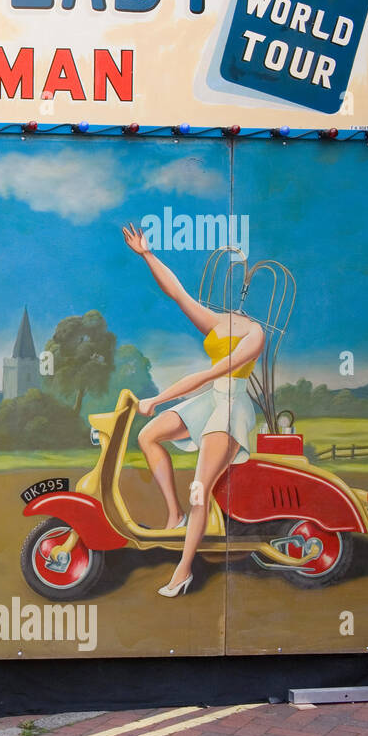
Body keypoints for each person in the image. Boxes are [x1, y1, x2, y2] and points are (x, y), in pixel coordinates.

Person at [124, 224, 265, 597]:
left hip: (230, 407)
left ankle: (183, 570)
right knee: (147, 435)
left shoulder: (256, 335)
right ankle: (175, 515)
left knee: (200, 487)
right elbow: (177, 293)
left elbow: (210, 373)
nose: (238, 291)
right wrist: (147, 255)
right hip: (209, 400)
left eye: (245, 285)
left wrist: (157, 399)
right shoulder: (219, 322)